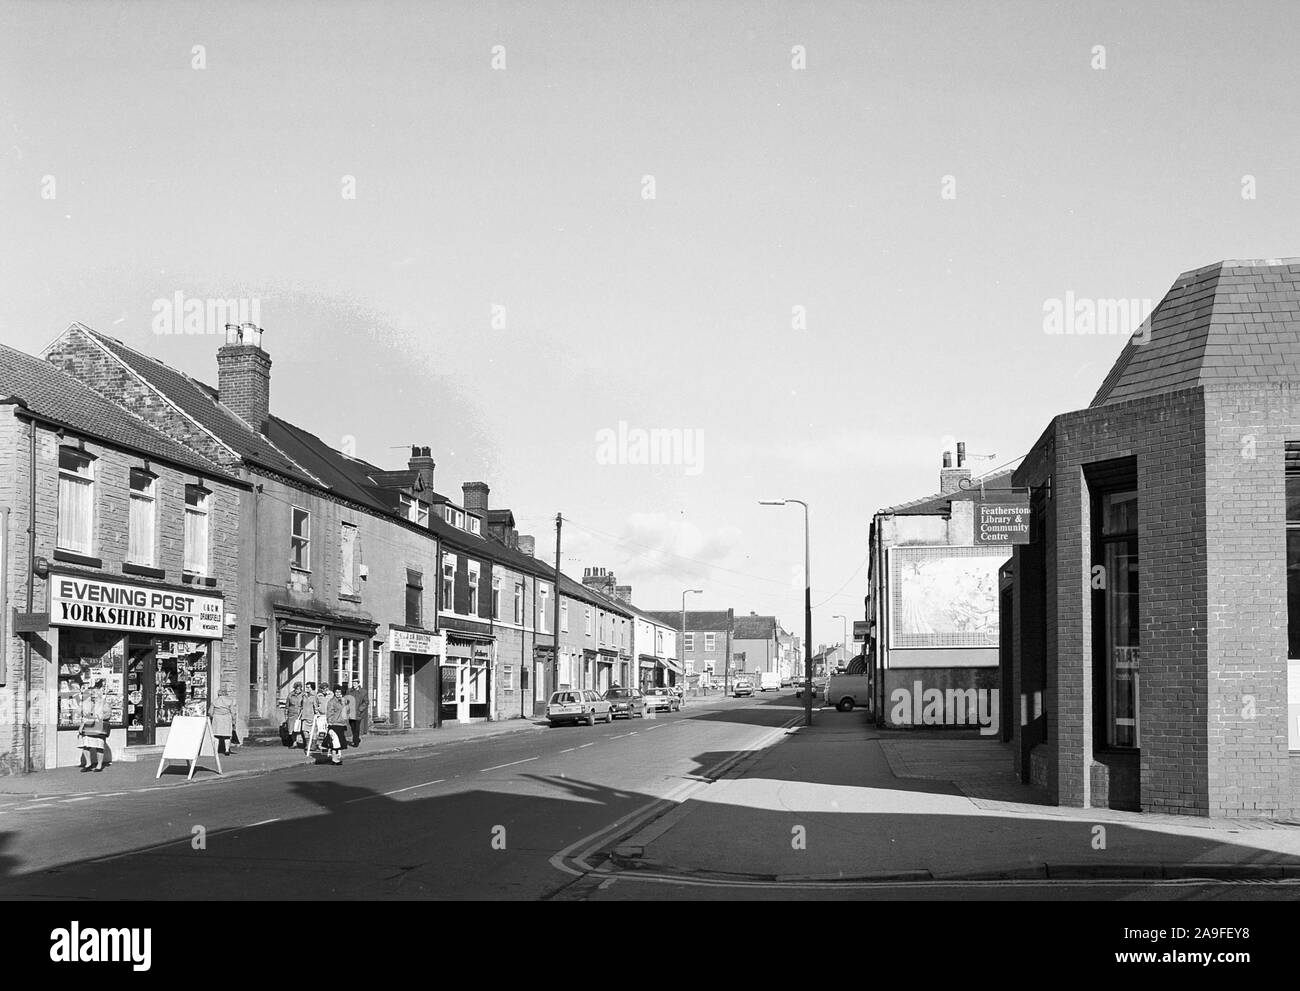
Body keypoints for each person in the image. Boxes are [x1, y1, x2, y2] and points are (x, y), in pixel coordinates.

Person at [78, 680, 111, 772]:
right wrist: (81, 726)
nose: (92, 695)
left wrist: (97, 718)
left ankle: (99, 764)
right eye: (91, 693)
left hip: (98, 726)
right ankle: (88, 763)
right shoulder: (86, 703)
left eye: (94, 693)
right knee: (86, 745)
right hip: (87, 725)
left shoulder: (103, 702)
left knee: (99, 746)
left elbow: (108, 714)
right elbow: (82, 716)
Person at [325, 684, 349, 766]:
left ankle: (336, 759)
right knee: (335, 742)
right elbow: (329, 713)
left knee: (339, 743)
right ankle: (334, 760)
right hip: (334, 724)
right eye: (336, 692)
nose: (338, 693)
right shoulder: (332, 702)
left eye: (340, 692)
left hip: (341, 724)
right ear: (334, 692)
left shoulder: (343, 701)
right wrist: (329, 722)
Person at [211, 687, 238, 756]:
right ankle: (226, 750)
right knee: (227, 735)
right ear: (226, 694)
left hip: (217, 718)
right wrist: (234, 720)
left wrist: (213, 717)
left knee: (216, 735)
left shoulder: (215, 701)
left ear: (218, 694)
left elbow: (210, 712)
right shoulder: (230, 701)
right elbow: (233, 712)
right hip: (227, 718)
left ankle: (216, 751)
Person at [285, 682, 309, 748]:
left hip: (301, 714)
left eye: (298, 688)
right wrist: (286, 715)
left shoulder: (304, 695)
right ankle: (294, 743)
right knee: (293, 730)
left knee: (302, 729)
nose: (297, 690)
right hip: (292, 714)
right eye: (296, 688)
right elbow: (287, 705)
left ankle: (306, 743)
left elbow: (306, 704)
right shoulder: (290, 695)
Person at [346, 679, 369, 747]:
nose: (354, 684)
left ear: (358, 684)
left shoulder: (363, 692)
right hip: (351, 712)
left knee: (356, 727)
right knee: (352, 726)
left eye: (355, 683)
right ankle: (357, 738)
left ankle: (355, 741)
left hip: (358, 713)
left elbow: (366, 702)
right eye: (353, 683)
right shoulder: (349, 691)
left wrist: (360, 709)